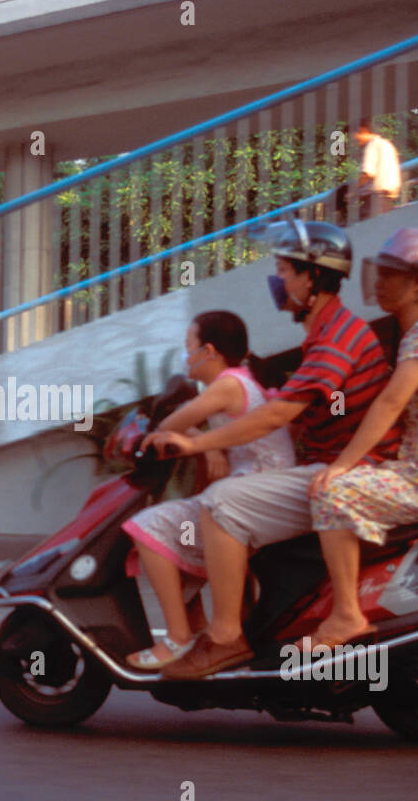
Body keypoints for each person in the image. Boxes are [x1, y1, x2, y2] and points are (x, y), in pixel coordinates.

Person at [143, 219, 401, 678]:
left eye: (284, 270)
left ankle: (226, 637)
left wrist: (197, 442)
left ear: (313, 277)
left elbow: (275, 415)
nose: (277, 281)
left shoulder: (337, 336)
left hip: (350, 471)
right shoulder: (325, 334)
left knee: (222, 503)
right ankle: (247, 624)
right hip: (334, 464)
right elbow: (298, 413)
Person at [304, 228, 418, 647]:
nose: (379, 283)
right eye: (378, 273)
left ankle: (346, 615)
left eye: (390, 275)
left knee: (332, 493)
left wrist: (342, 465)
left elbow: (389, 404)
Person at [123, 311, 295, 669]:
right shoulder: (240, 382)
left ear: (209, 351)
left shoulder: (228, 385)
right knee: (174, 529)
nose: (186, 356)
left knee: (148, 526)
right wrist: (211, 446)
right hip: (256, 488)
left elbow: (170, 424)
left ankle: (177, 638)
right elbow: (200, 428)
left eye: (189, 346)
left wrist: (167, 437)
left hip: (254, 492)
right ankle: (195, 630)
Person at [335, 118, 402, 222]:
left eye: (353, 136)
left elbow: (367, 174)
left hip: (374, 204)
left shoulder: (372, 145)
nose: (353, 141)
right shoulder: (386, 145)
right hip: (387, 203)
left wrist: (352, 193)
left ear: (361, 130)